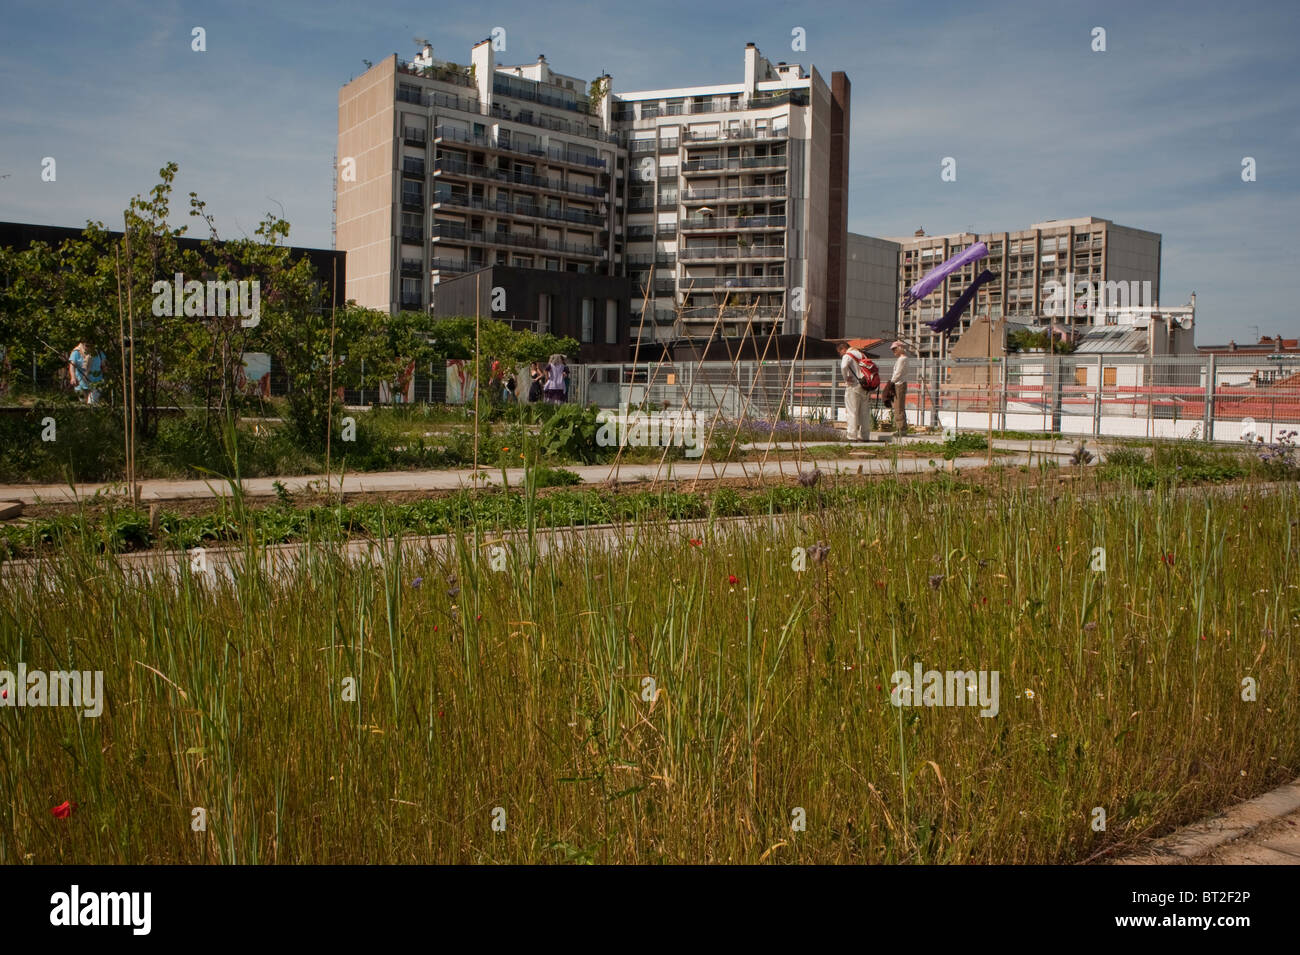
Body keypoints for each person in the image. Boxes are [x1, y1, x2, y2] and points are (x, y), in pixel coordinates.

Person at [836, 341, 872, 442]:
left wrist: (846, 378)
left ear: (843, 349)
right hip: (865, 386)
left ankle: (852, 436)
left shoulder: (847, 355)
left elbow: (843, 366)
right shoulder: (862, 354)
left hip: (854, 386)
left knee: (852, 411)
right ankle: (865, 436)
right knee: (864, 412)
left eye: (839, 352)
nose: (840, 354)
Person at [68, 340, 105, 405]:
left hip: (96, 383)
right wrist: (73, 377)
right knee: (84, 405)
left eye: (90, 345)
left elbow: (104, 365)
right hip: (81, 384)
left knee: (92, 403)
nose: (88, 347)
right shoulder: (76, 352)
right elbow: (72, 366)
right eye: (86, 345)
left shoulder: (98, 352)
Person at [888, 340, 910, 436]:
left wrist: (891, 382)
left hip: (899, 384)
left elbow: (898, 373)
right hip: (900, 383)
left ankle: (901, 429)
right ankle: (902, 427)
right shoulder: (903, 359)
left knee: (898, 406)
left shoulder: (902, 359)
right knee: (899, 406)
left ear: (900, 348)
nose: (894, 351)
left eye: (895, 349)